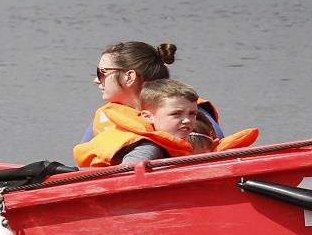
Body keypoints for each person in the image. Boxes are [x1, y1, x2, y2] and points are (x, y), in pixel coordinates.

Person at [73, 79, 257, 167]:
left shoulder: (192, 141)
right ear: (147, 117)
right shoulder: (147, 149)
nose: (187, 120)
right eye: (176, 114)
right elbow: (122, 181)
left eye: (192, 114)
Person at [86, 40, 224, 144]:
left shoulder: (190, 112)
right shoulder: (107, 117)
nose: (96, 80)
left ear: (129, 77)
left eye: (101, 73)